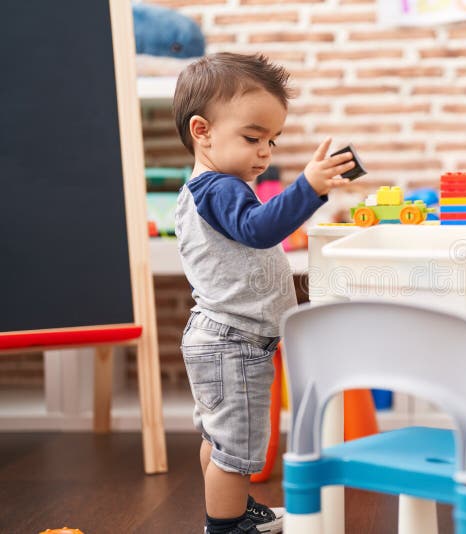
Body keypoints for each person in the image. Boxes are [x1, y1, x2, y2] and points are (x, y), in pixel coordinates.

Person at [173, 52, 354, 534]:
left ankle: (231, 510)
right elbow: (259, 229)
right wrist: (308, 189)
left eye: (271, 140)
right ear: (202, 130)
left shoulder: (202, 189)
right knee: (237, 452)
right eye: (252, 137)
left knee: (221, 439)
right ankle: (226, 526)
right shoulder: (220, 189)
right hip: (234, 341)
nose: (264, 152)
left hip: (220, 336)